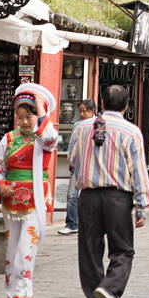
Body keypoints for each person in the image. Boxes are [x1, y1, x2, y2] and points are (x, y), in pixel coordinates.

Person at [68, 84, 149, 298]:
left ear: (102, 103)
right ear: (127, 106)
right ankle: (110, 287)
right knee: (123, 250)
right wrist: (142, 205)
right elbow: (138, 170)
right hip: (118, 198)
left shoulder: (81, 128)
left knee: (89, 251)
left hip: (88, 197)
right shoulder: (131, 131)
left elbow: (72, 161)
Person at [0, 83, 60, 298]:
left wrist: (42, 111)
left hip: (35, 201)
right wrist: (0, 185)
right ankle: (12, 296)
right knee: (12, 251)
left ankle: (24, 295)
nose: (23, 122)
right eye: (19, 117)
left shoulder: (44, 138)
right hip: (12, 205)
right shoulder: (8, 139)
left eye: (29, 116)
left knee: (25, 249)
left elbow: (50, 136)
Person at [58, 99, 95, 236]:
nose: (82, 114)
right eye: (81, 111)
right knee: (72, 195)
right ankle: (72, 223)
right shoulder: (77, 125)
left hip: (89, 164)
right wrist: (72, 162)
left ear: (91, 111)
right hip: (79, 163)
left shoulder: (98, 124)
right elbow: (72, 146)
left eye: (85, 111)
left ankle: (82, 223)